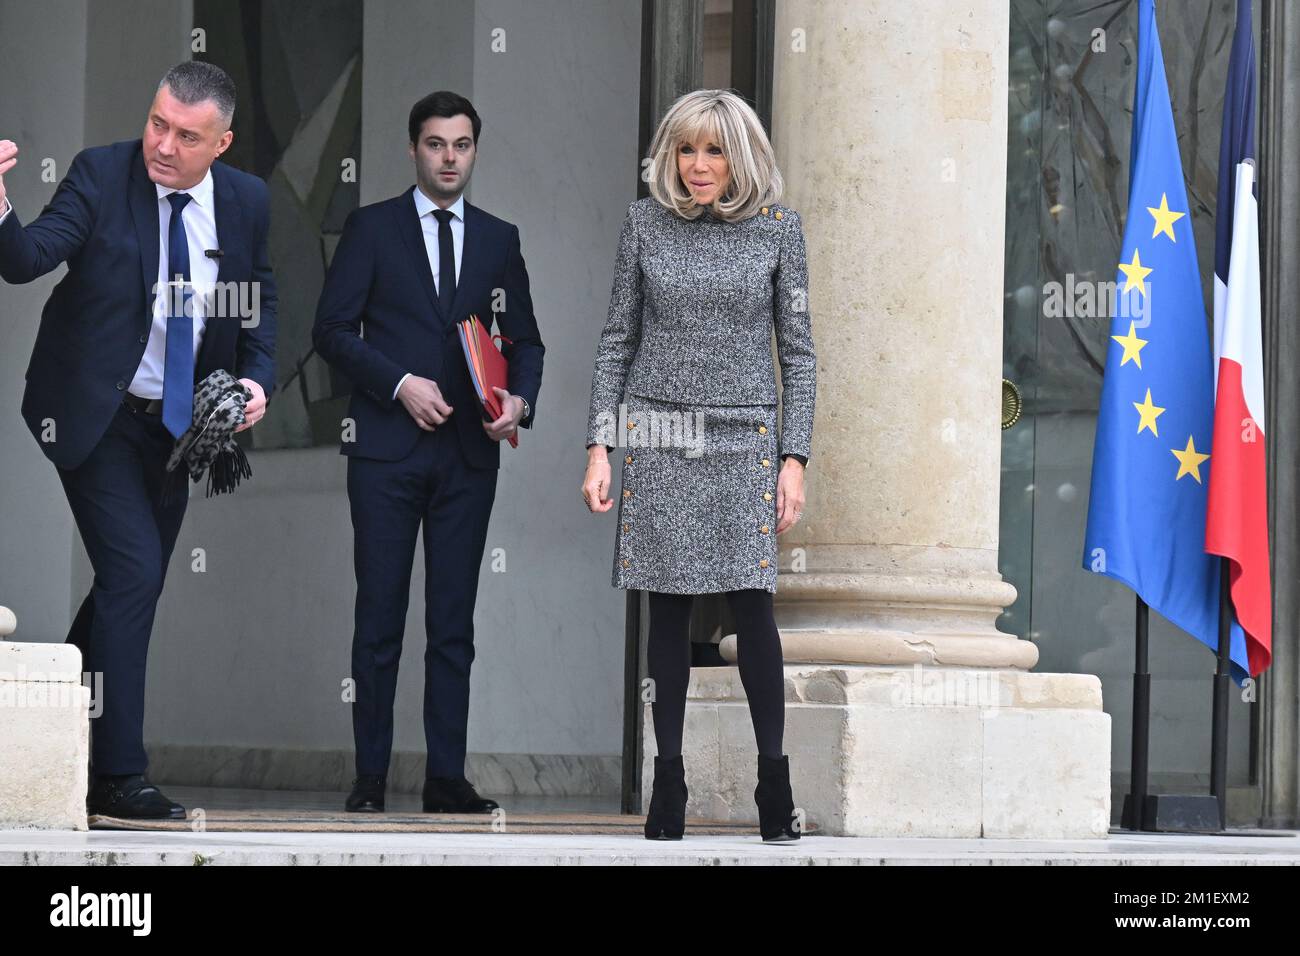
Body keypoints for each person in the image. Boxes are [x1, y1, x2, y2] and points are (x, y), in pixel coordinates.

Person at [0, 61, 278, 819]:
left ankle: (47, 720)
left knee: (131, 582)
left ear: (222, 142)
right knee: (135, 574)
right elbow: (23, 260)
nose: (162, 143)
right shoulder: (101, 174)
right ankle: (118, 778)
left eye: (186, 135)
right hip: (94, 415)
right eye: (158, 122)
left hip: (181, 428)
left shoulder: (246, 201)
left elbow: (260, 295)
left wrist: (257, 379)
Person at [581, 89, 815, 842]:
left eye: (713, 150)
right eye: (686, 149)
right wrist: (600, 443)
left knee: (754, 605)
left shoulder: (780, 230)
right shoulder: (643, 223)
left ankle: (774, 785)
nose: (698, 165)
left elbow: (801, 355)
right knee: (668, 605)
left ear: (741, 157)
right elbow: (617, 338)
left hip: (746, 432)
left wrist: (794, 457)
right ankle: (668, 782)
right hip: (658, 429)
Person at [313, 91, 544, 814]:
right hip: (384, 454)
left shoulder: (499, 238)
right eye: (437, 144)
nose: (450, 157)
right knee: (379, 617)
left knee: (453, 622)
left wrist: (520, 400)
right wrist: (400, 384)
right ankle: (371, 777)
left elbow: (524, 340)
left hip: (469, 458)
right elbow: (332, 330)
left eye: (463, 145)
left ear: (475, 150)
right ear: (414, 148)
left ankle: (446, 778)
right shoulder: (372, 228)